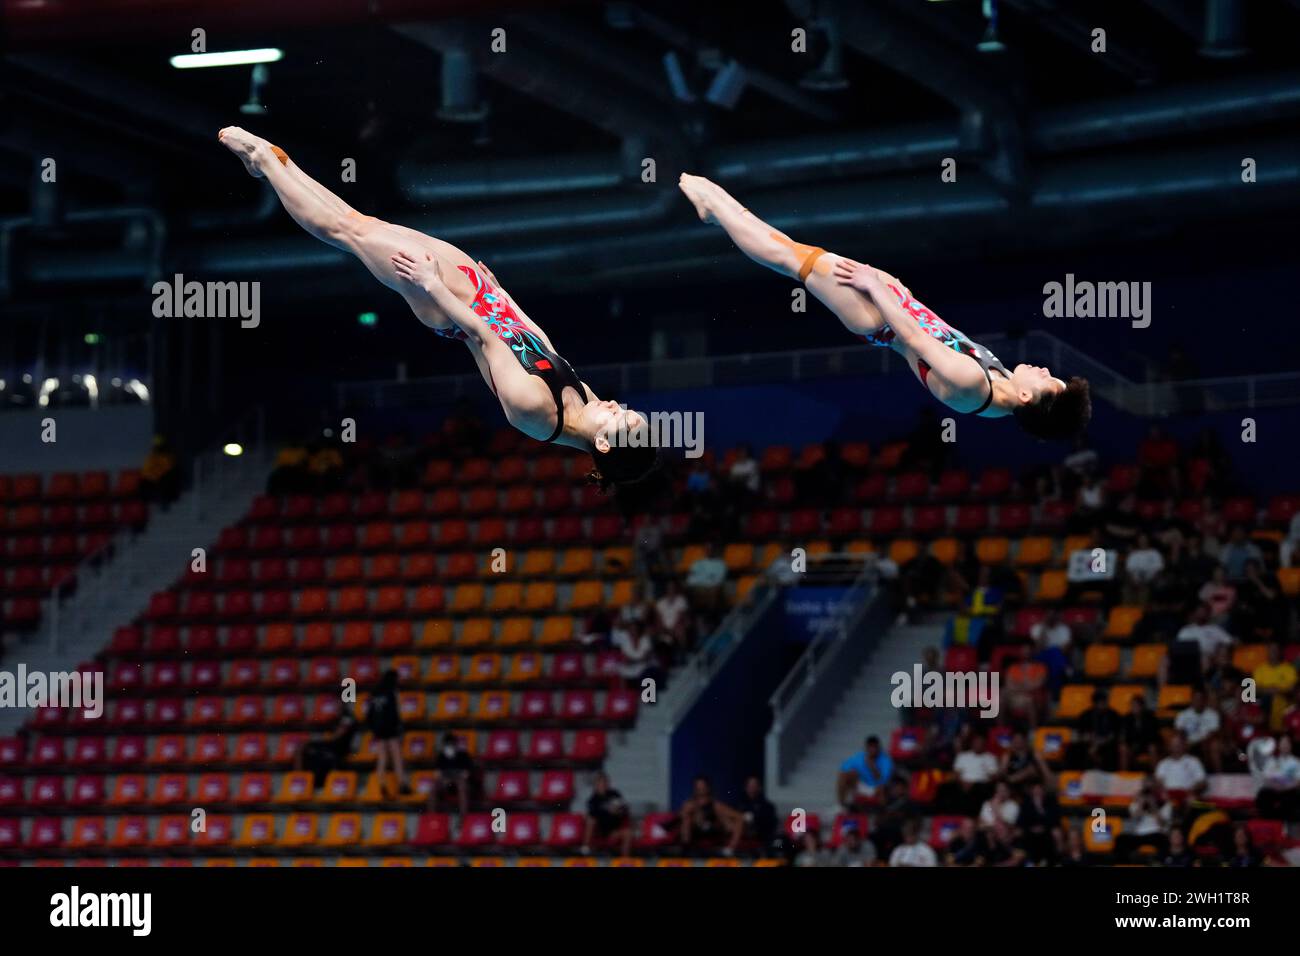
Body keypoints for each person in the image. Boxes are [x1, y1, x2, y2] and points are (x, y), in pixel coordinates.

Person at [219, 127, 656, 491]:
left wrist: (430, 283)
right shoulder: (590, 407)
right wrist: (502, 294)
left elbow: (486, 338)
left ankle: (265, 160)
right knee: (367, 225)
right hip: (483, 298)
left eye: (620, 417)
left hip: (450, 310)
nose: (617, 404)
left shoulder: (538, 416)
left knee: (347, 233)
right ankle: (274, 165)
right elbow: (541, 342)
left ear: (603, 444)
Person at [676, 173, 1090, 440]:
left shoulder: (972, 387)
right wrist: (906, 297)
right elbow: (945, 334)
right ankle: (717, 205)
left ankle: (716, 207)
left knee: (788, 257)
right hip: (895, 310)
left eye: (1046, 381)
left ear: (1024, 396)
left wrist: (878, 289)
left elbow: (912, 338)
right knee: (792, 253)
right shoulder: (999, 391)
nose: (1043, 369)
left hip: (881, 320)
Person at [365, 669, 410, 798]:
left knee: (382, 758)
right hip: (391, 728)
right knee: (396, 756)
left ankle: (381, 784)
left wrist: (373, 729)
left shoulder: (375, 692)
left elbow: (369, 713)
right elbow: (396, 713)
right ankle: (402, 784)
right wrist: (399, 729)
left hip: (379, 729)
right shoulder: (393, 692)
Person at [678, 777, 744, 856]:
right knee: (686, 818)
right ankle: (686, 850)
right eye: (698, 787)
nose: (700, 789)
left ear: (708, 788)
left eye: (702, 787)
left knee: (732, 820)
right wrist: (692, 814)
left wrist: (726, 823)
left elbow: (738, 816)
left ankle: (729, 849)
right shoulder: (690, 805)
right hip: (696, 832)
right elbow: (680, 817)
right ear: (695, 789)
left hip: (714, 830)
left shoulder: (716, 806)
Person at [295, 708, 360, 788]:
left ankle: (314, 782)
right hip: (329, 745)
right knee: (302, 748)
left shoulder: (347, 718)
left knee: (322, 757)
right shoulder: (334, 720)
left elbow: (337, 736)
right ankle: (300, 777)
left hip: (339, 748)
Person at [581, 772, 633, 856]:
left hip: (615, 828)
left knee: (628, 832)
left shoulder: (615, 794)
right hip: (601, 830)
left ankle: (625, 860)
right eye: (600, 783)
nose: (603, 785)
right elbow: (593, 815)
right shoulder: (593, 800)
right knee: (591, 821)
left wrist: (618, 811)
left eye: (605, 783)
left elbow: (624, 809)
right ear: (596, 785)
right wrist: (608, 811)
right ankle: (585, 848)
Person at [837, 735, 894, 809]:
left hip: (876, 788)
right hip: (861, 785)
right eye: (870, 747)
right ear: (866, 748)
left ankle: (881, 810)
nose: (872, 750)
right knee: (845, 775)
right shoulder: (859, 756)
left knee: (882, 787)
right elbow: (844, 769)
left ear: (878, 748)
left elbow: (883, 781)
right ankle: (842, 804)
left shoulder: (886, 760)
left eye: (874, 747)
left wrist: (872, 766)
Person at [1174, 688, 1222, 773]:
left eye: (1200, 699)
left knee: (1214, 745)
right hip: (1188, 742)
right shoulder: (1183, 715)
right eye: (1196, 699)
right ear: (1191, 700)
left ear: (1205, 700)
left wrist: (1200, 742)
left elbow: (1214, 733)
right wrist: (1185, 742)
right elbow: (1179, 731)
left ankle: (1218, 774)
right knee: (1177, 743)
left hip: (1205, 742)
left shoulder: (1212, 714)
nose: (1198, 701)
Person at [1254, 735, 1300, 821]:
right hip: (1274, 789)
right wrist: (1276, 786)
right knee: (1263, 794)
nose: (1284, 745)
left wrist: (1284, 787)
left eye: (1287, 743)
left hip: (1289, 790)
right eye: (1282, 743)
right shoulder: (1272, 761)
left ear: (1291, 745)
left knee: (1293, 797)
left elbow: (1298, 782)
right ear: (1278, 745)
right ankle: (1268, 820)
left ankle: (1287, 821)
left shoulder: (1296, 762)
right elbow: (1266, 779)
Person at [730, 776, 779, 856]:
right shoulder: (738, 804)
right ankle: (729, 849)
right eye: (749, 786)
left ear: (759, 787)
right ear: (745, 787)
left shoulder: (767, 806)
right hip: (740, 831)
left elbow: (770, 825)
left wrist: (754, 819)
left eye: (754, 785)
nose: (751, 788)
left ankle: (731, 849)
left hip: (759, 833)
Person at [431, 731, 475, 816]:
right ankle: (432, 817)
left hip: (462, 784)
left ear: (455, 744)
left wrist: (454, 778)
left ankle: (463, 816)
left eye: (451, 744)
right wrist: (446, 780)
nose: (449, 746)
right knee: (433, 788)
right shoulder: (441, 757)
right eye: (447, 744)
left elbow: (466, 774)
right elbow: (437, 774)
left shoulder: (463, 756)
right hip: (446, 784)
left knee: (461, 786)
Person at [1153, 732, 1207, 801]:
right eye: (1173, 744)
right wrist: (1162, 790)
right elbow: (1159, 781)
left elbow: (1202, 782)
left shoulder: (1194, 761)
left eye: (1178, 744)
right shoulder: (1163, 763)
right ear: (1169, 746)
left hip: (1187, 794)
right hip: (1168, 795)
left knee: (1192, 800)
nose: (1176, 747)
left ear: (1184, 745)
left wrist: (1192, 790)